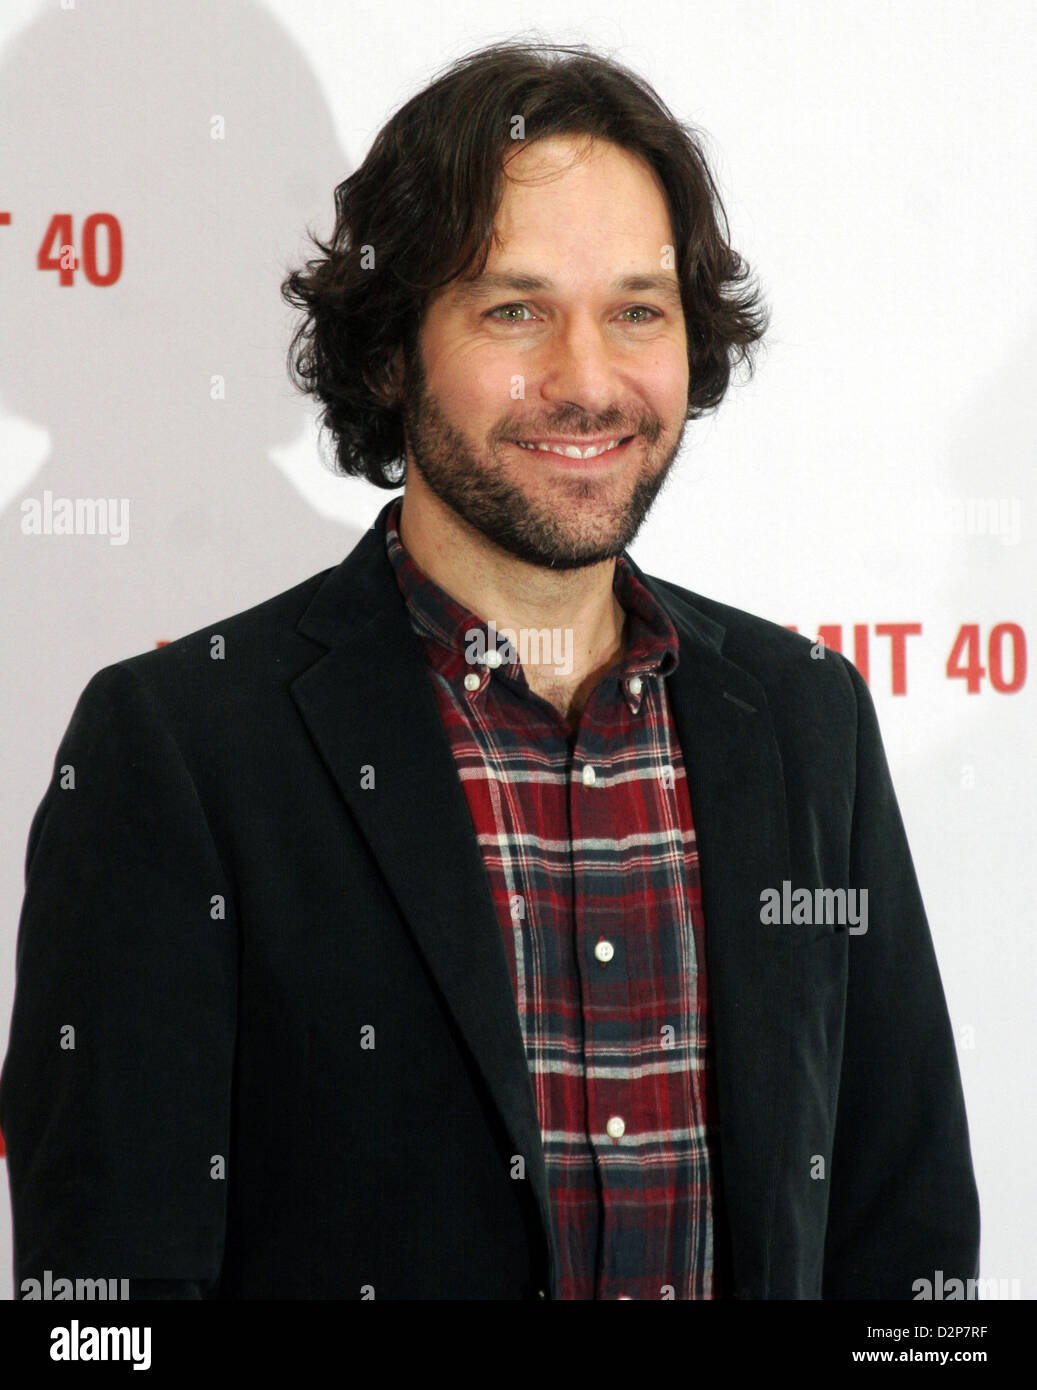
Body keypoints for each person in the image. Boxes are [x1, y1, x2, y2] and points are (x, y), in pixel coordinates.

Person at [0, 40, 979, 1300]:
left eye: (636, 309)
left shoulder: (804, 719)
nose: (585, 381)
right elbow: (110, 1304)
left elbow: (900, 1244)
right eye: (513, 309)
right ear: (389, 352)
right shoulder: (180, 745)